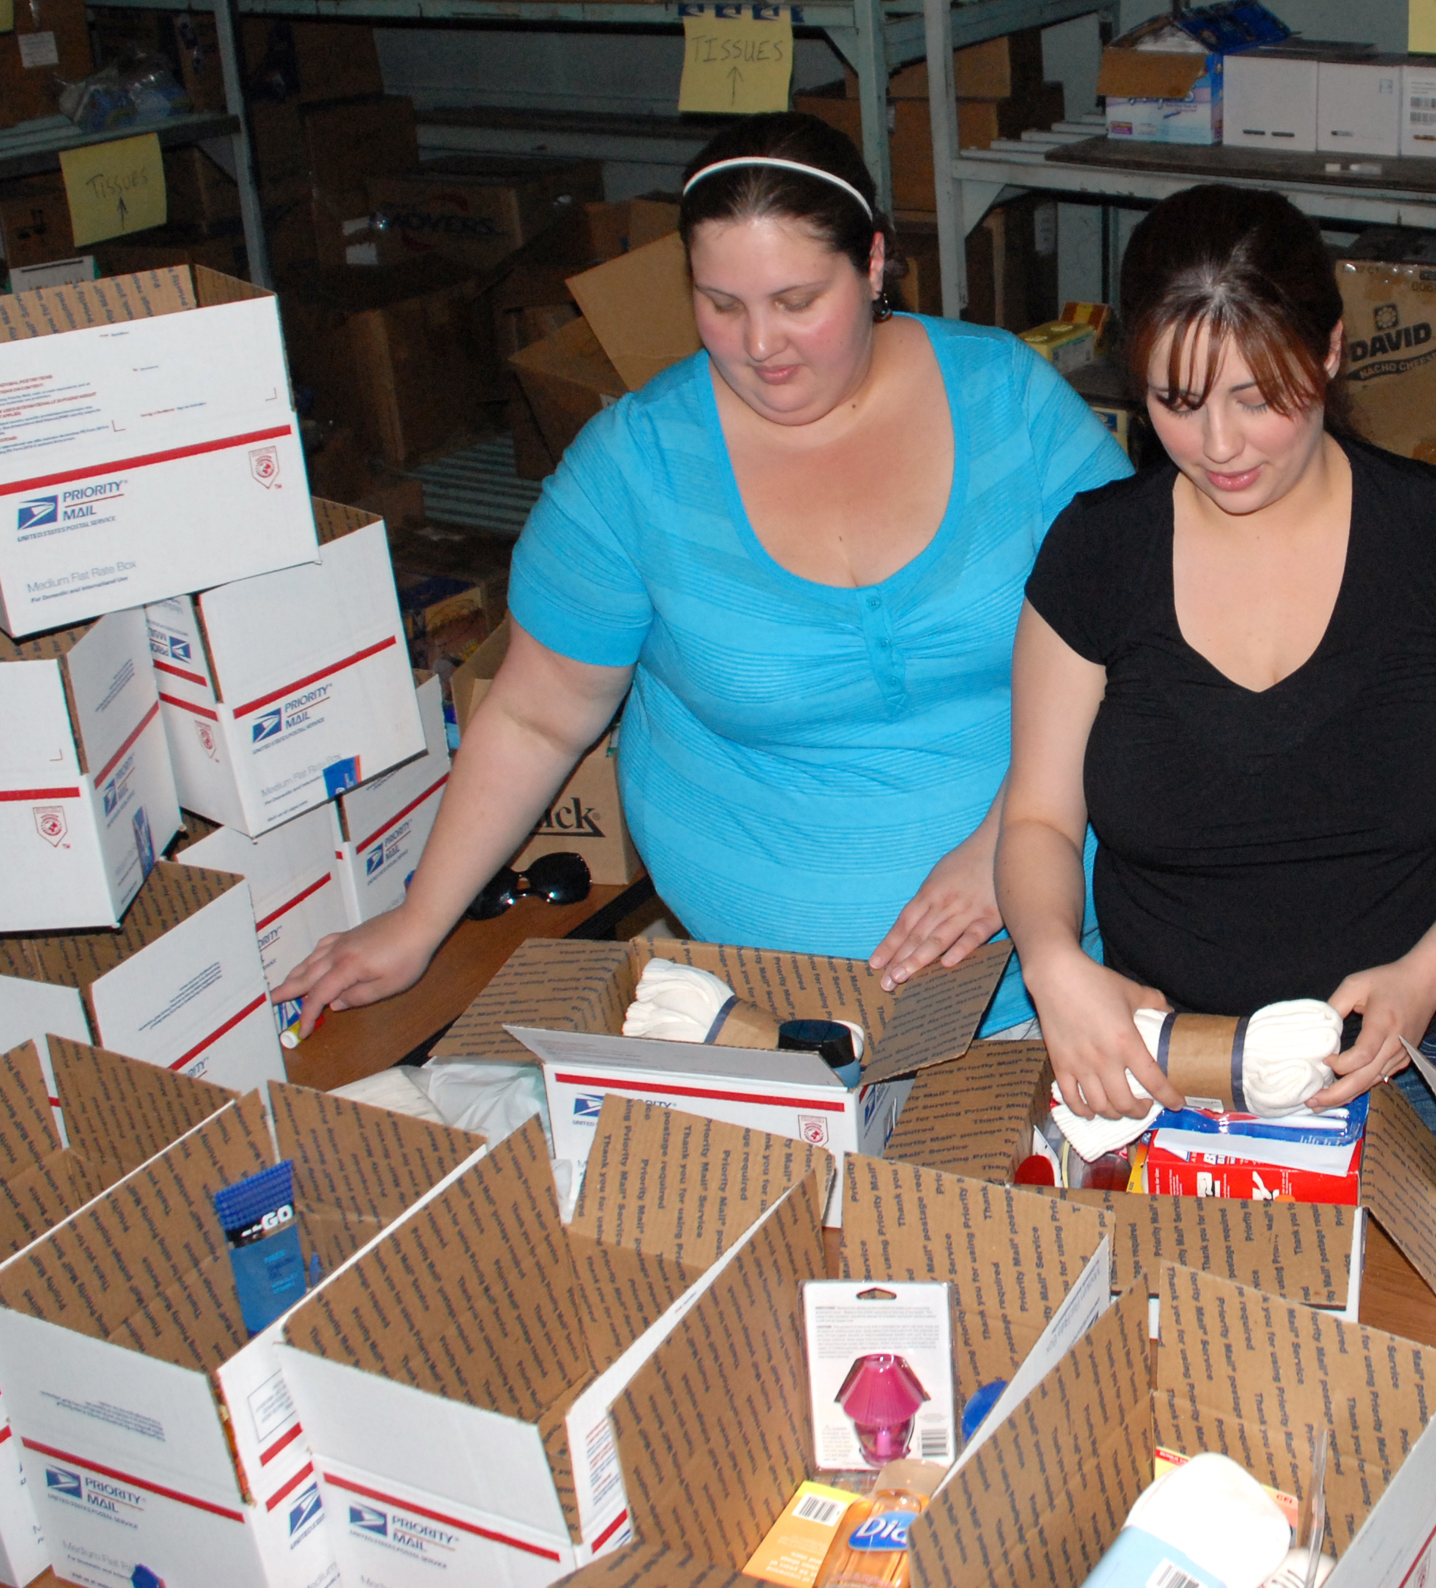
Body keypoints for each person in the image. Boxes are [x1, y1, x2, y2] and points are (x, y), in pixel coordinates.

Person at [274, 113, 1130, 1033]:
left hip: (1051, 969)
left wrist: (1013, 847)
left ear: (874, 264)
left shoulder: (1008, 402)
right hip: (768, 1013)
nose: (760, 344)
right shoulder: (636, 468)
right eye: (722, 304)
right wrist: (416, 923)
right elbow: (534, 713)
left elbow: (1138, 639)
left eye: (798, 300)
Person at [997, 184, 1436, 1121]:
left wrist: (1428, 974)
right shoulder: (1097, 553)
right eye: (1175, 402)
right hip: (1160, 1057)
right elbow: (1041, 822)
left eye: (1258, 400)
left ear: (1331, 349)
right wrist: (1055, 961)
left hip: (1397, 1055)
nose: (1218, 445)